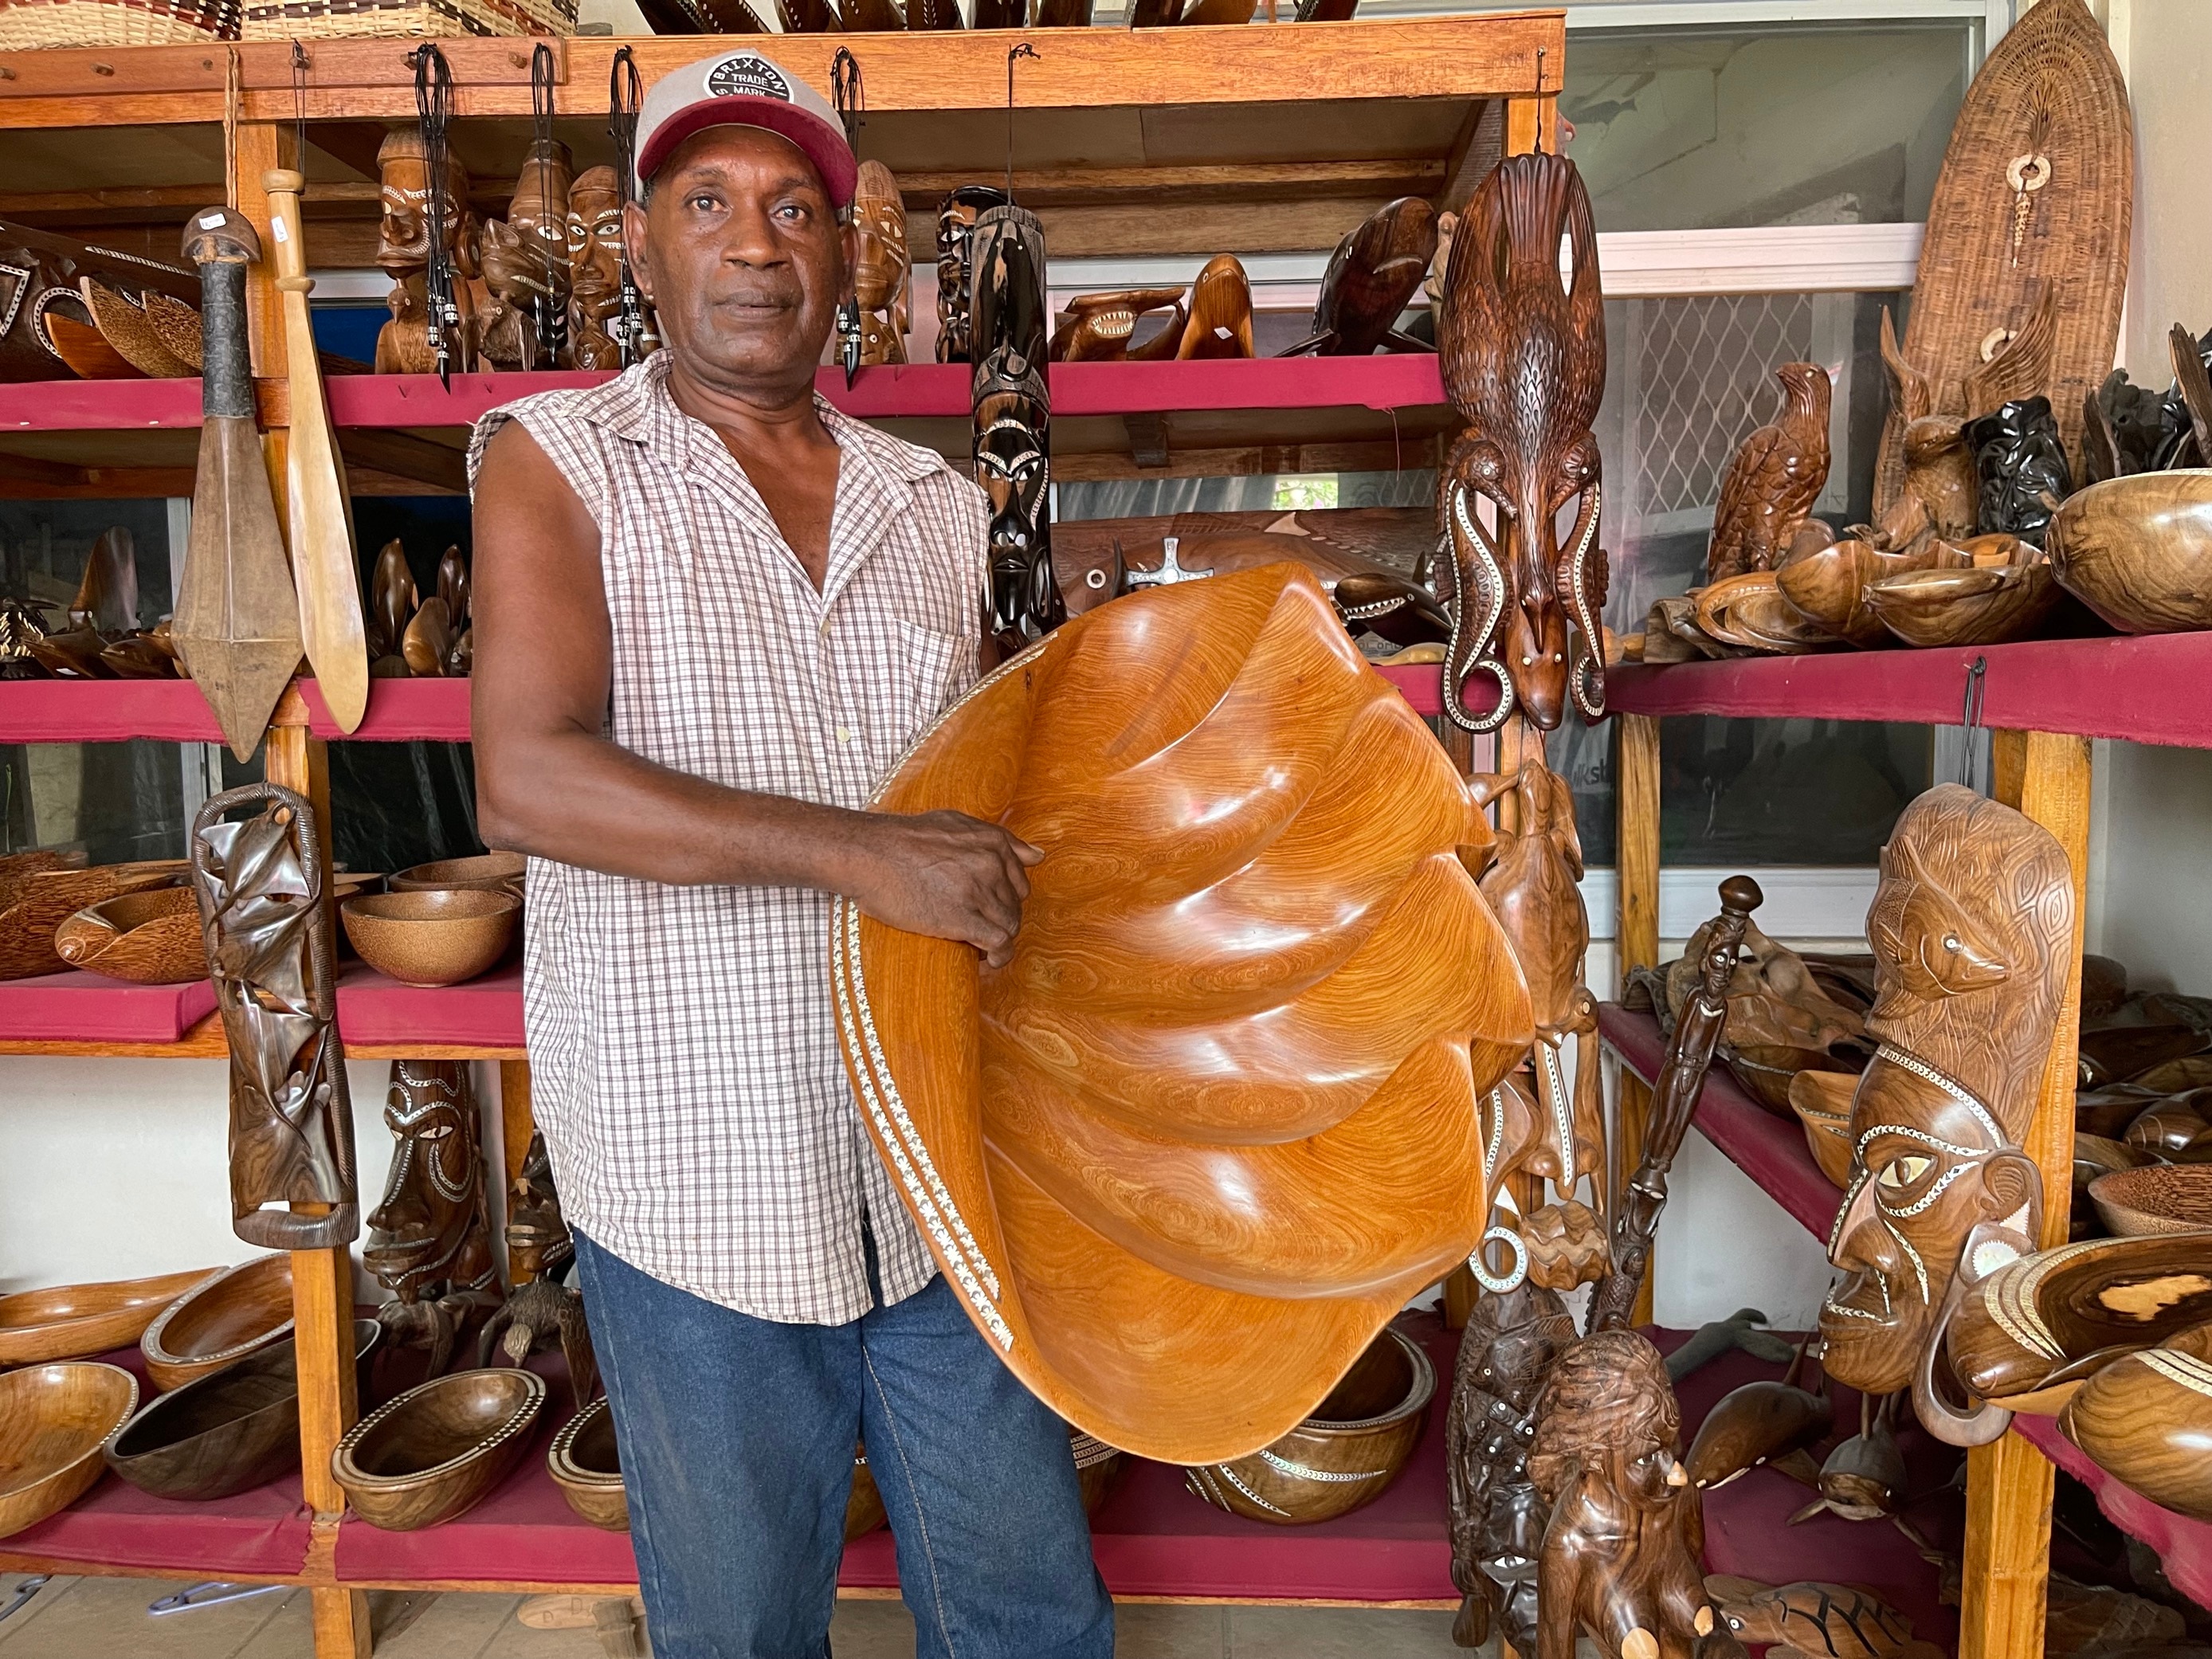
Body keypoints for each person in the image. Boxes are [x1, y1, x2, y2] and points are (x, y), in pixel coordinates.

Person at [466, 49, 1115, 1659]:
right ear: (639, 246)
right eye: (706, 204)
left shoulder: (936, 506)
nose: (754, 243)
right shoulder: (556, 460)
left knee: (1030, 1612)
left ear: (843, 256)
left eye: (792, 209)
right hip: (696, 1184)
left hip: (933, 1159)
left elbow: (979, 787)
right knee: (746, 1628)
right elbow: (527, 780)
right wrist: (860, 855)